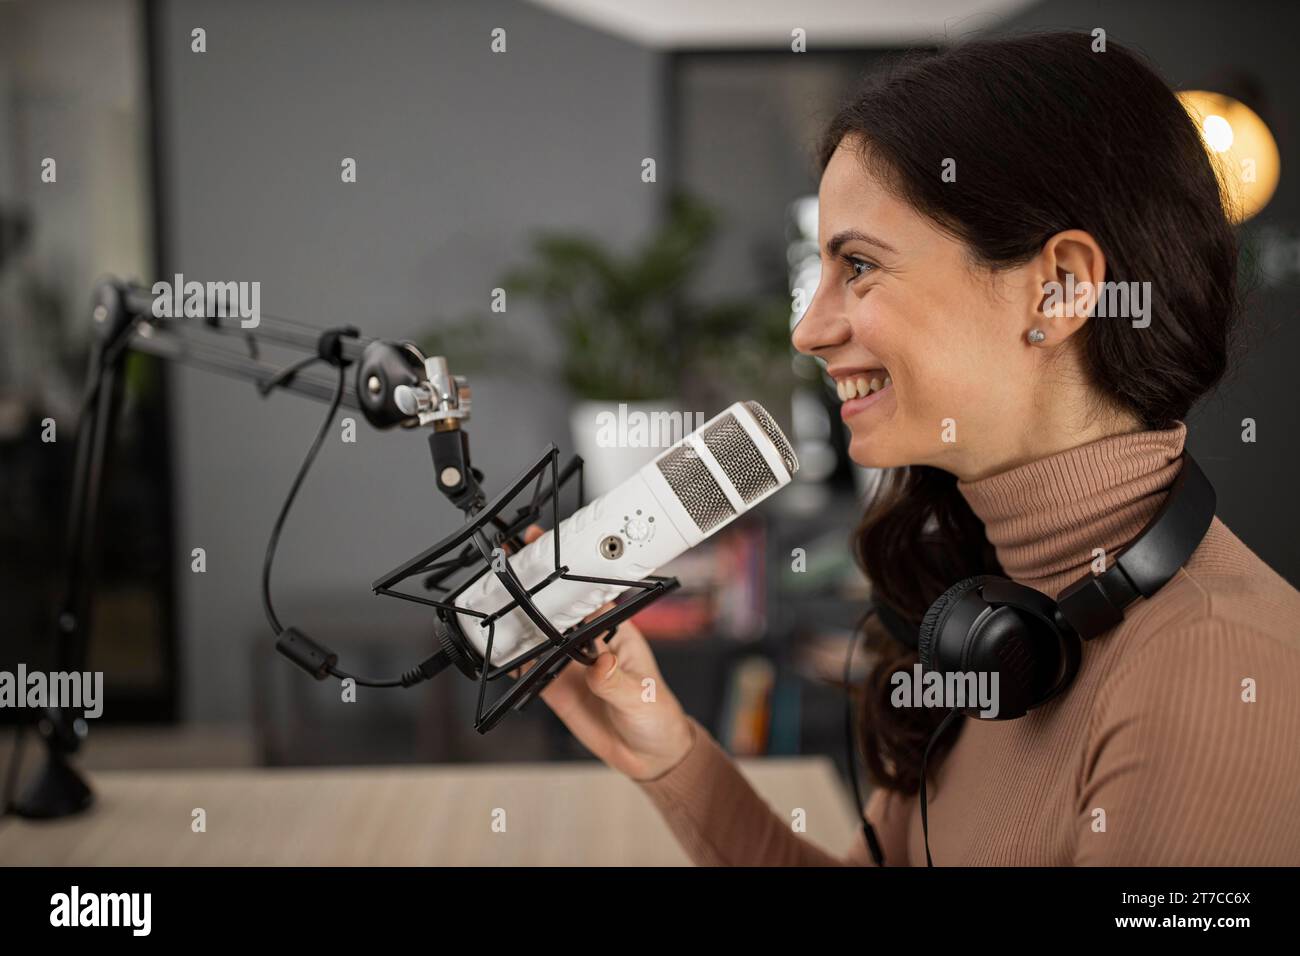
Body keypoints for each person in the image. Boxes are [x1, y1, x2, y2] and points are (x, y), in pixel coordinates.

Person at [529, 31, 1300, 865]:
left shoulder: (1223, 672)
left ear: (1063, 286)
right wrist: (671, 754)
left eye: (858, 265)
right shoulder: (992, 615)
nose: (808, 330)